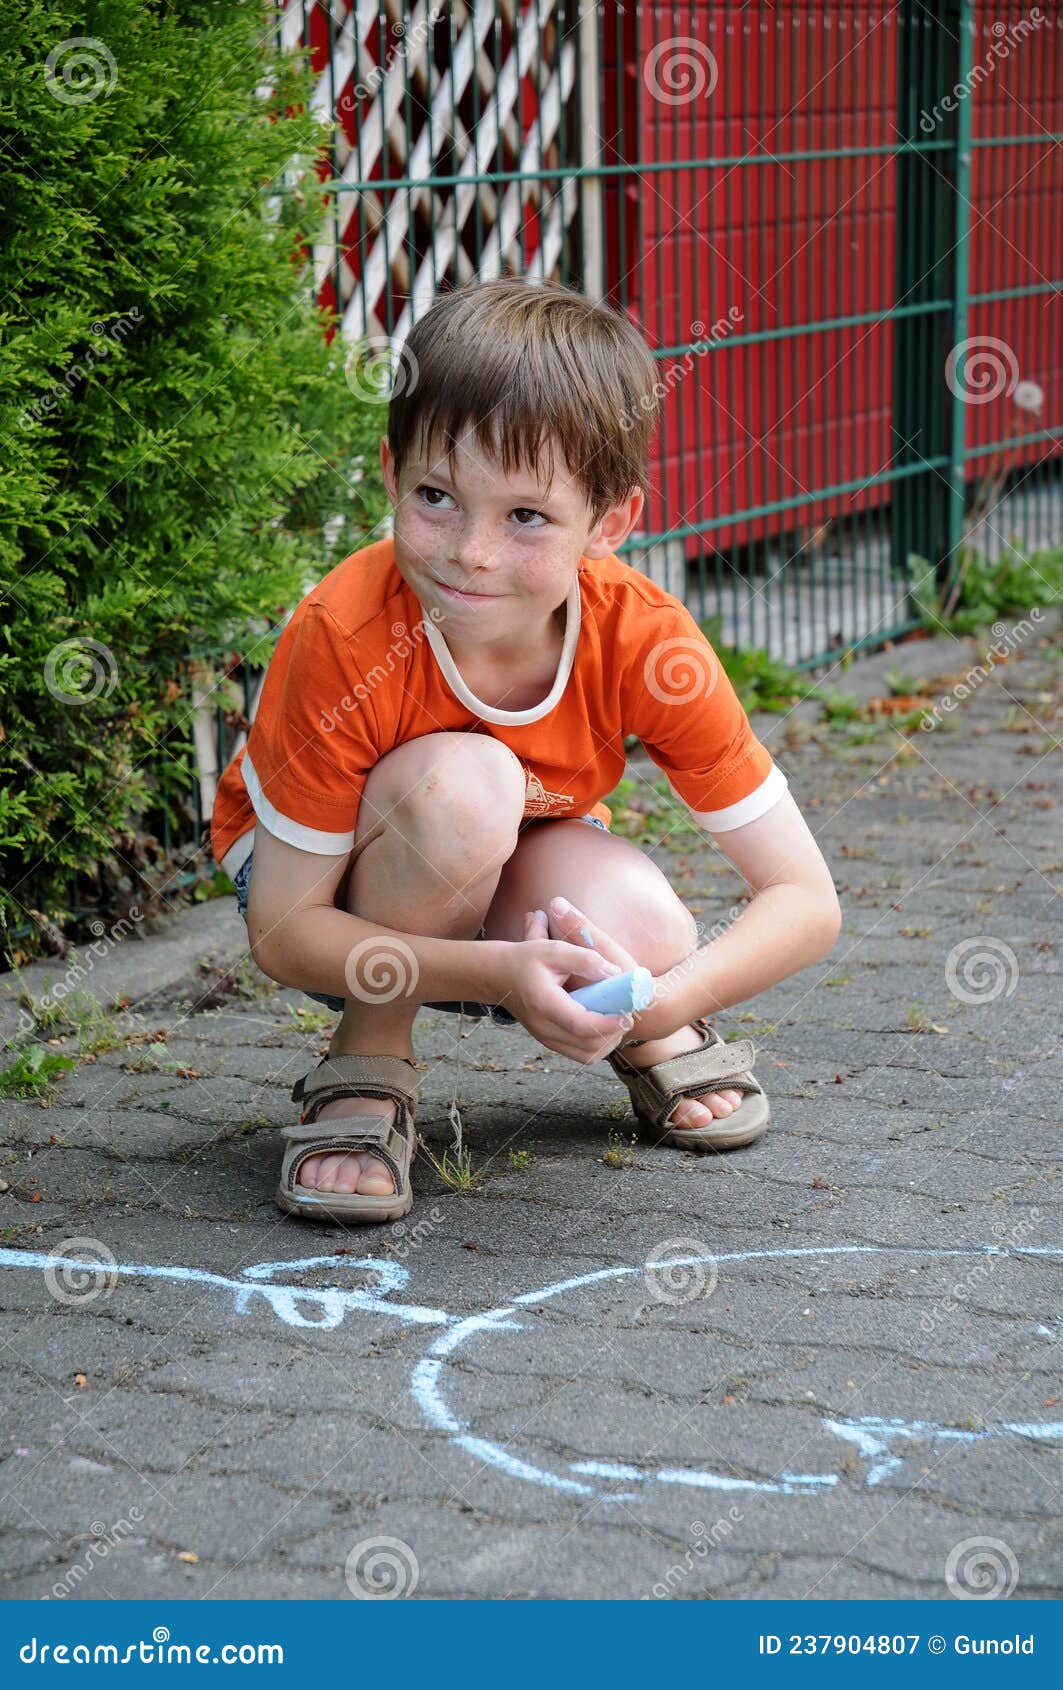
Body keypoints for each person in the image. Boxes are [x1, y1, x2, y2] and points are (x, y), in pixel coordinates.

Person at [210, 278, 841, 1224]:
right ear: (389, 473)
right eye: (435, 497)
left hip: (511, 848)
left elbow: (805, 901)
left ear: (611, 523)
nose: (468, 552)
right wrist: (505, 975)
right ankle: (370, 1055)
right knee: (467, 785)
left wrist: (654, 1004)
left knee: (648, 927)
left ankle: (641, 1038)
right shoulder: (343, 631)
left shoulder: (646, 640)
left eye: (526, 517)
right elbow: (282, 933)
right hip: (314, 875)